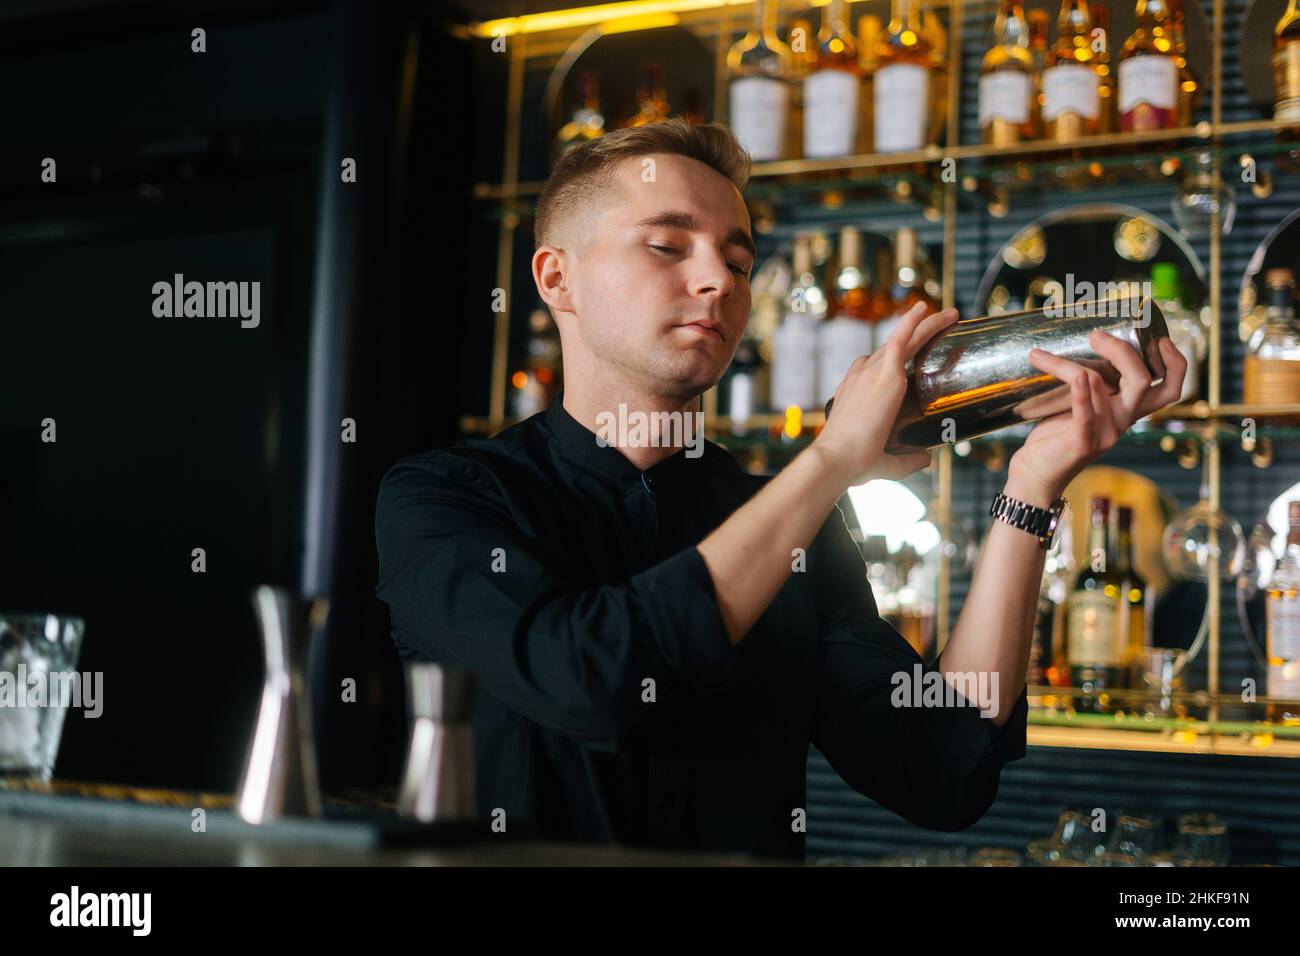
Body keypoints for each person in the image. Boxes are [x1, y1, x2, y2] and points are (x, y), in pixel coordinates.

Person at [374, 118, 1187, 860]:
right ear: (558, 279)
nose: (718, 282)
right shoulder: (448, 500)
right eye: (668, 246)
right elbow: (591, 677)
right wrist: (830, 460)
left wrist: (1032, 486)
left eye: (737, 260)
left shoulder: (793, 519)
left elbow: (937, 769)